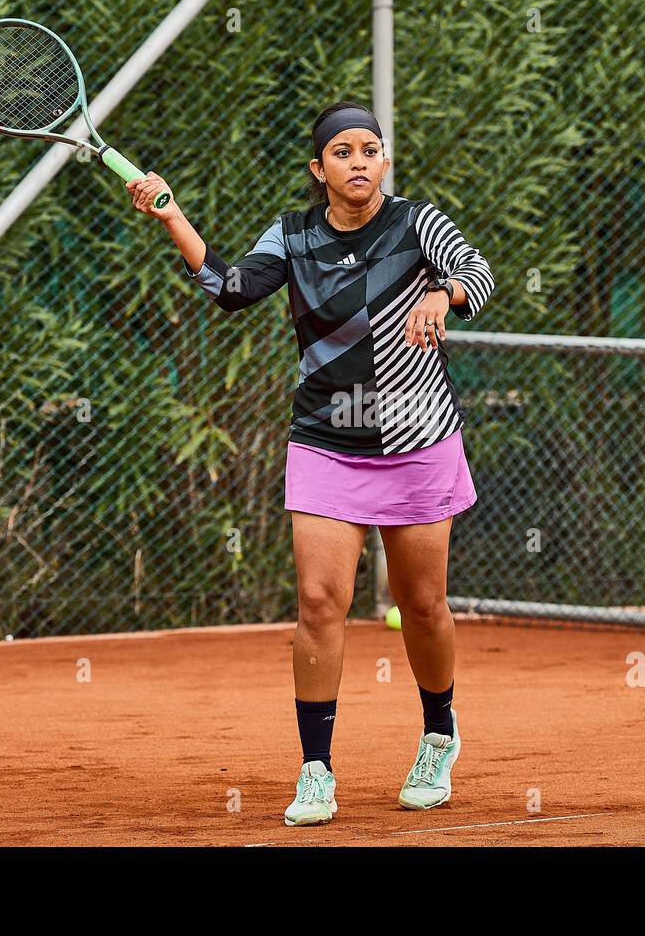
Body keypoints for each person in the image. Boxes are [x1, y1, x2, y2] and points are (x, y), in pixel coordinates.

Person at [126, 101, 494, 826]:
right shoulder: (293, 235)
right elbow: (231, 290)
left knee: (421, 604)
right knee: (321, 603)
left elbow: (475, 273)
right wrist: (172, 216)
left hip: (418, 438)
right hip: (326, 439)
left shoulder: (418, 223)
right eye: (344, 151)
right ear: (318, 168)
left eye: (371, 150)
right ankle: (316, 769)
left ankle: (438, 735)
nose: (360, 161)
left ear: (384, 163)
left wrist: (440, 293)